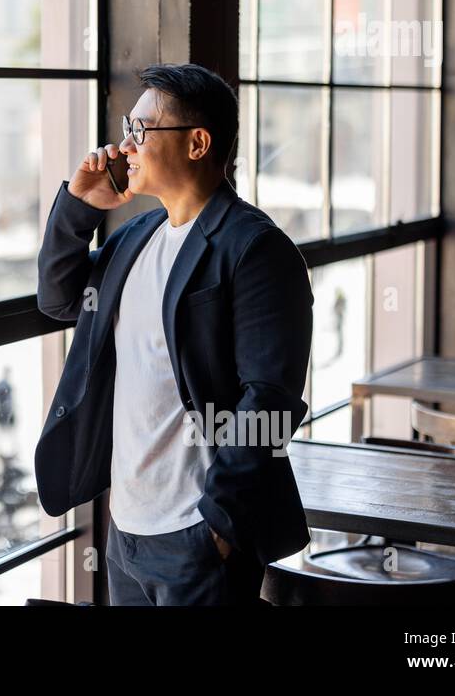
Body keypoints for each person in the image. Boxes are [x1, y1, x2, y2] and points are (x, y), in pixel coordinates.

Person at [34, 64, 314, 605]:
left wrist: (219, 526)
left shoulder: (256, 248)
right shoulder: (137, 236)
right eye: (126, 128)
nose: (124, 146)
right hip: (126, 528)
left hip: (198, 534)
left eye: (140, 131)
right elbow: (58, 298)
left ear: (197, 143)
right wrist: (78, 205)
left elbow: (271, 396)